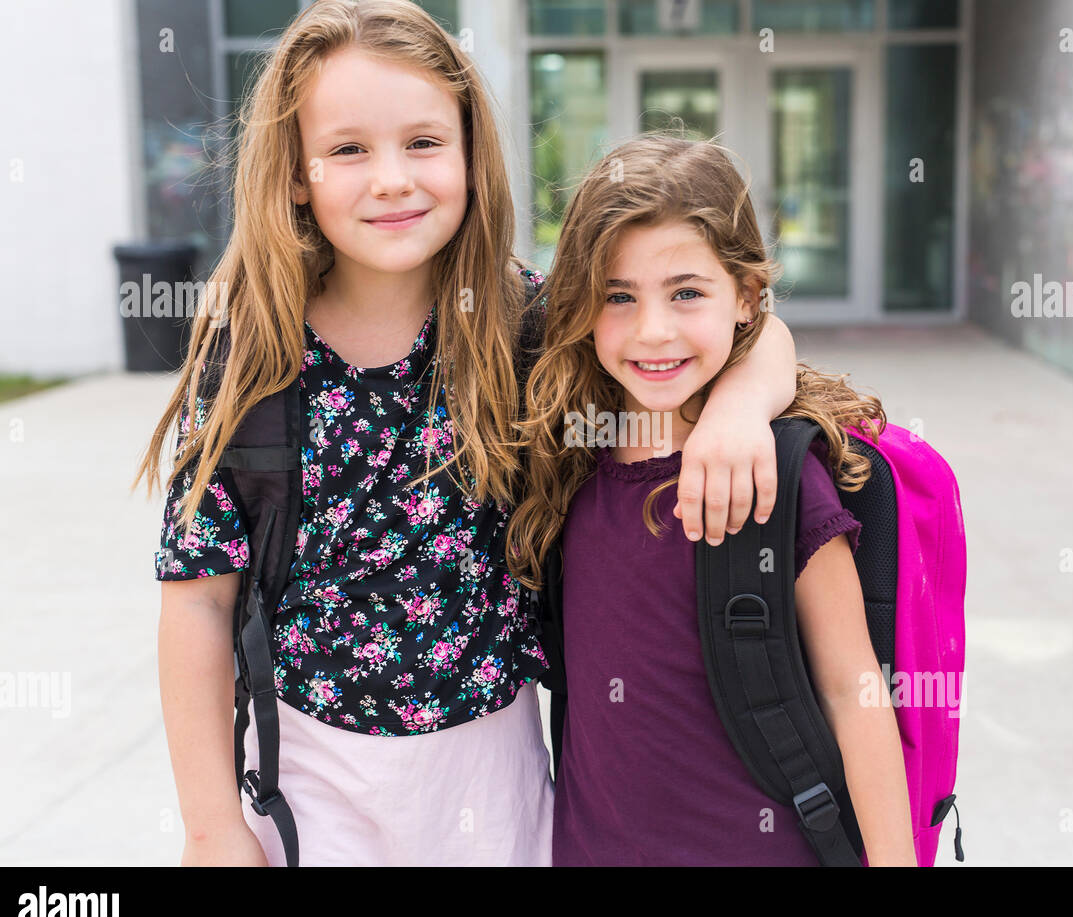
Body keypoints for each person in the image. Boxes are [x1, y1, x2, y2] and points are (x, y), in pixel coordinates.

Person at [130, 1, 799, 866]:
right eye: (347, 150)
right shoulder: (249, 354)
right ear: (296, 175)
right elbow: (196, 599)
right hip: (304, 776)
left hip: (493, 773)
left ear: (473, 153)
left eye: (423, 142)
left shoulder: (529, 322)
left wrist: (746, 400)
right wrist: (212, 829)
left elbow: (748, 325)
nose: (392, 180)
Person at [507, 134, 917, 866]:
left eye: (687, 292)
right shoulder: (571, 450)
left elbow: (855, 697)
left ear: (747, 298)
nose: (653, 330)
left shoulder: (774, 476)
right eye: (618, 296)